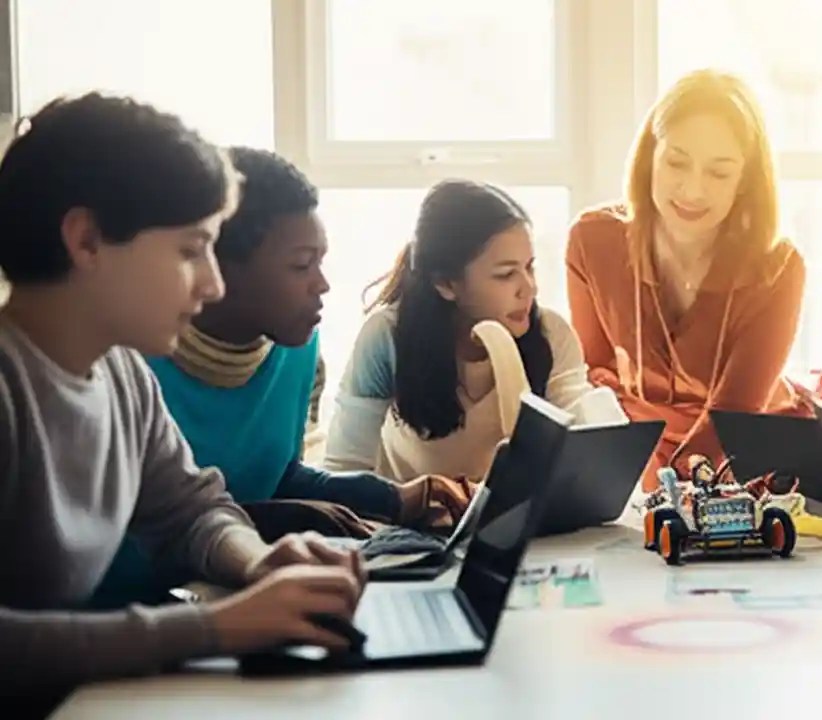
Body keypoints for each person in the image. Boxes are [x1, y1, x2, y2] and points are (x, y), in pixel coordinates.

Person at [0, 93, 366, 701]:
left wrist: (256, 563)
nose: (213, 283)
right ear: (87, 240)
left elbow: (189, 511)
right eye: (190, 251)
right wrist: (212, 628)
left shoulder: (121, 374)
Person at [93, 147, 432, 609]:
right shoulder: (123, 359)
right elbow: (139, 528)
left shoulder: (298, 350)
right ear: (220, 265)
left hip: (216, 597)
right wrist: (258, 527)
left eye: (320, 261)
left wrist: (394, 499)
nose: (322, 284)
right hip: (129, 623)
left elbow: (260, 479)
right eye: (300, 265)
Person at [567, 69, 807, 491]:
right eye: (677, 162)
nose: (693, 190)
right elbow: (597, 378)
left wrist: (662, 489)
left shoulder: (779, 268)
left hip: (757, 462)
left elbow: (734, 415)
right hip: (644, 464)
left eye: (719, 173)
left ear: (745, 181)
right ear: (650, 157)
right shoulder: (592, 241)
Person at [324, 179, 622, 496]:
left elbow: (582, 441)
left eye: (529, 268)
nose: (529, 288)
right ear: (446, 284)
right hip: (405, 524)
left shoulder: (551, 334)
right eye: (506, 274)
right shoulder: (387, 337)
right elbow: (345, 467)